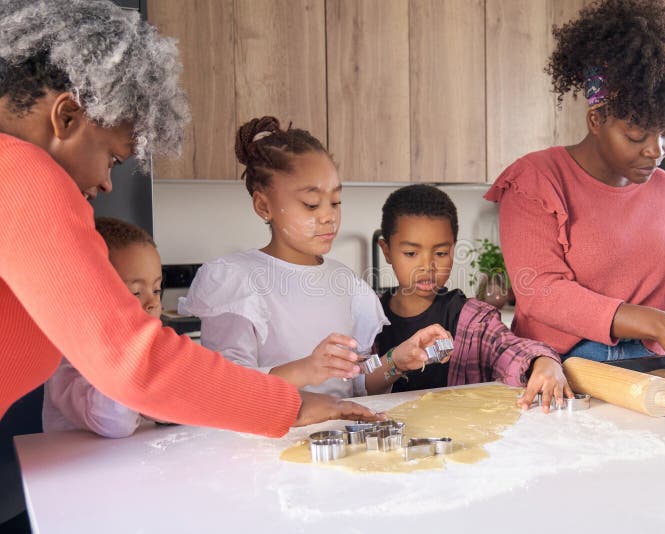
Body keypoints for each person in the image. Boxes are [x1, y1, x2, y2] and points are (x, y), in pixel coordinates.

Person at [0, 0, 382, 436]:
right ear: (66, 117)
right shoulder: (23, 174)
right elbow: (134, 364)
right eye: (113, 158)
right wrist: (287, 405)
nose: (107, 183)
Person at [484, 0, 665, 373]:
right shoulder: (538, 180)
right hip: (558, 370)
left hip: (651, 366)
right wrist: (658, 323)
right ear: (596, 119)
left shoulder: (664, 190)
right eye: (637, 135)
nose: (655, 150)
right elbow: (542, 293)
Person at [179, 117, 448, 398]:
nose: (328, 216)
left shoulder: (344, 282)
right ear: (263, 206)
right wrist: (307, 369)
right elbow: (227, 389)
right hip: (268, 442)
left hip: (336, 437)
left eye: (335, 202)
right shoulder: (235, 279)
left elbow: (355, 383)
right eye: (311, 204)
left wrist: (397, 361)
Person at [373, 184, 572, 411]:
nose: (427, 267)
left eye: (440, 253)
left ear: (453, 250)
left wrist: (543, 362)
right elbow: (359, 380)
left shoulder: (475, 321)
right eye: (411, 253)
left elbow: (510, 350)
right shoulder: (368, 318)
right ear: (386, 250)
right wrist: (394, 361)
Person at [43, 218, 168, 438]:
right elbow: (115, 422)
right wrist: (136, 345)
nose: (153, 303)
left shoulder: (143, 346)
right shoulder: (70, 358)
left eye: (156, 290)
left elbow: (170, 410)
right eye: (135, 293)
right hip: (77, 469)